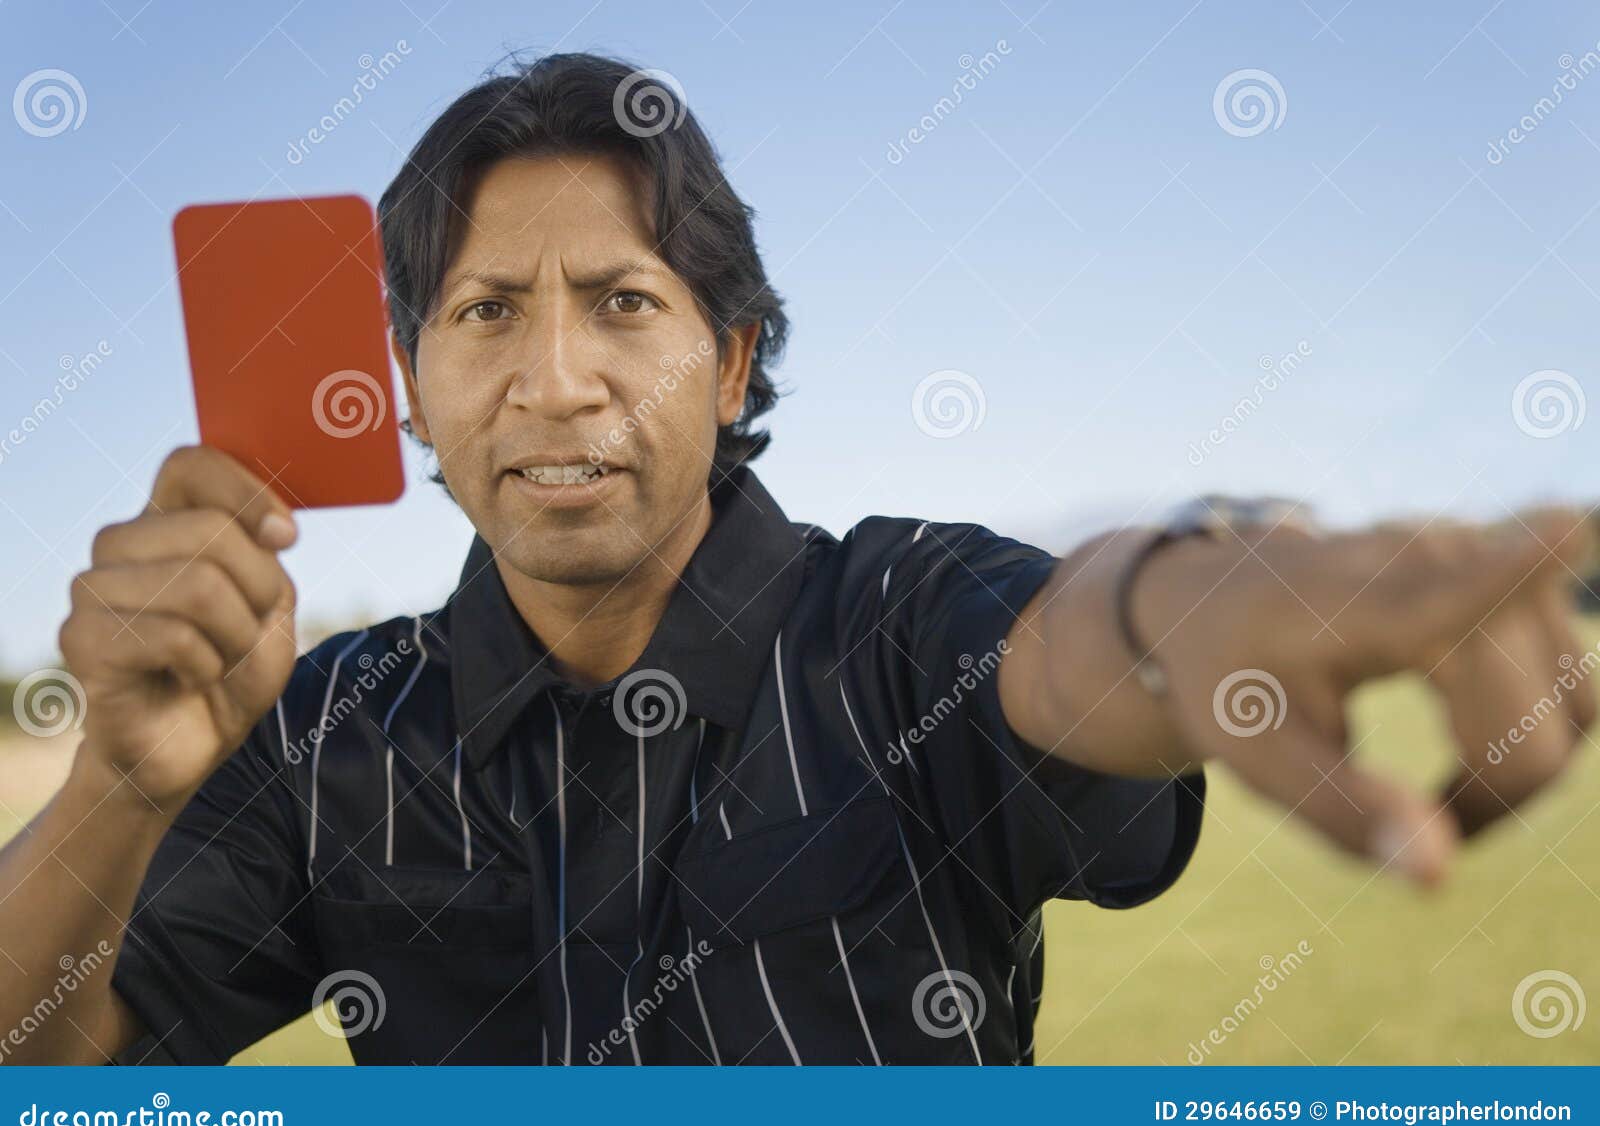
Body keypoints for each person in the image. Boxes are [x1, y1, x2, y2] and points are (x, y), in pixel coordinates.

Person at [1, 52, 1593, 1066]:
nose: (554, 379)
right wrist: (115, 794)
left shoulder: (891, 621)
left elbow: (1081, 635)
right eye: (486, 313)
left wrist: (1202, 586)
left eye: (624, 303)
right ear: (412, 386)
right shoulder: (331, 725)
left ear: (736, 362)